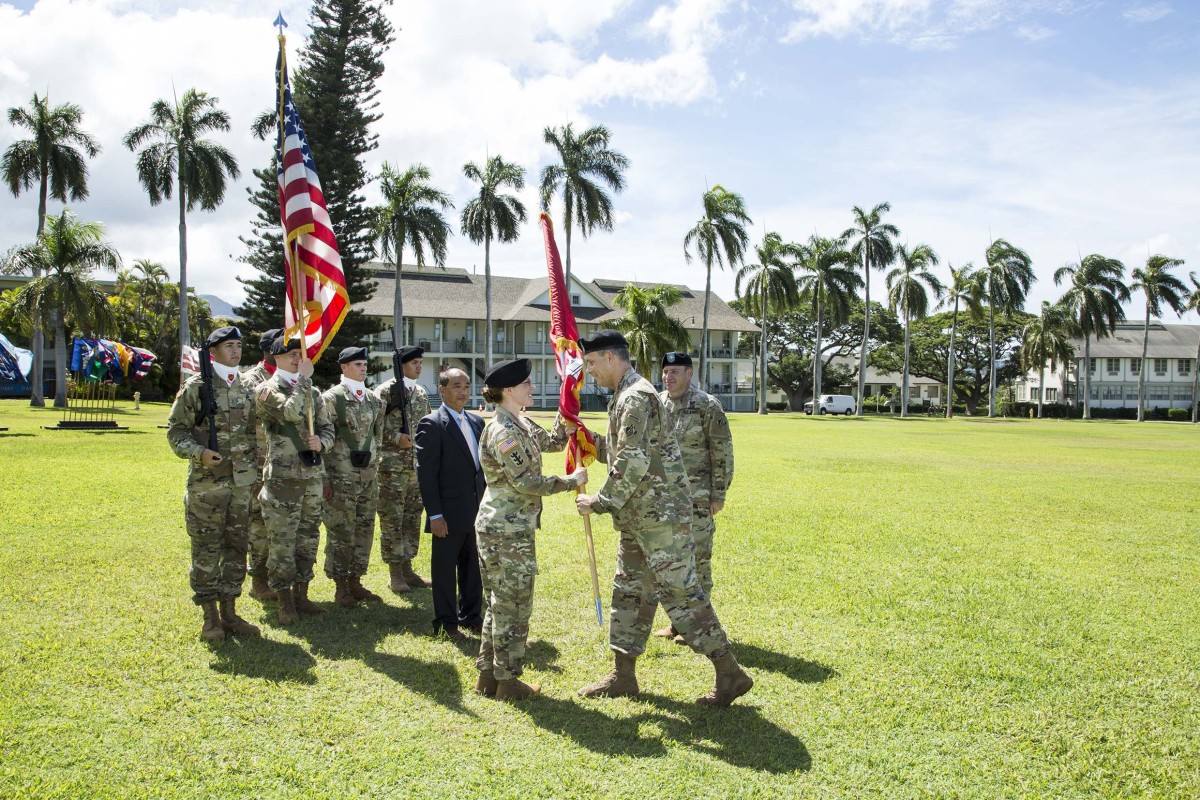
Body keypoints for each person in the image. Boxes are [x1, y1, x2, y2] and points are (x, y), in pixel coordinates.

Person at [574, 330, 753, 707]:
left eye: (591, 363)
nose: (588, 371)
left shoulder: (636, 396)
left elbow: (633, 461)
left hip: (661, 519)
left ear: (610, 358)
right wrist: (584, 438)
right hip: (641, 518)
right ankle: (623, 677)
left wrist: (600, 501)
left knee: (682, 594)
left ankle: (730, 673)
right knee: (629, 591)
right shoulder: (628, 395)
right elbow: (627, 449)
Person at [473, 358, 588, 700]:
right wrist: (571, 482)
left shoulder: (519, 422)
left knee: (499, 604)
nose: (532, 388)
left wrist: (566, 403)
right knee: (514, 605)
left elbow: (552, 441)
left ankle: (488, 677)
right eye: (527, 384)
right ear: (508, 390)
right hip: (504, 532)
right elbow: (526, 482)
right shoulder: (503, 431)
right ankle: (508, 681)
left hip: (509, 528)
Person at [166, 326, 260, 642]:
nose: (235, 351)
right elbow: (175, 432)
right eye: (228, 346)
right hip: (208, 486)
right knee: (206, 549)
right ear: (213, 352)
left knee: (236, 548)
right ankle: (210, 617)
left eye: (238, 344)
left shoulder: (249, 386)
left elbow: (255, 434)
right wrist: (199, 452)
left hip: (242, 484)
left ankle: (230, 611)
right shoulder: (196, 388)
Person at [654, 350, 735, 643]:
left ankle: (701, 627)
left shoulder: (707, 406)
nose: (668, 377)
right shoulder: (658, 404)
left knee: (698, 563)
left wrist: (719, 493)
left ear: (690, 374)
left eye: (675, 371)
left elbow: (722, 451)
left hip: (697, 499)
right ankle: (677, 624)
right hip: (664, 501)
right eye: (665, 372)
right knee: (670, 564)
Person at [256, 336, 336, 626]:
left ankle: (302, 594)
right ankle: (284, 601)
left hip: (311, 477)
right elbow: (290, 412)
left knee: (308, 538)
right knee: (282, 542)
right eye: (290, 354)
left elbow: (328, 428)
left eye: (299, 354)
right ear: (276, 357)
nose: (297, 359)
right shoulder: (266, 390)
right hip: (282, 480)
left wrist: (322, 443)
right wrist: (303, 380)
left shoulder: (313, 392)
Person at [415, 367, 485, 640]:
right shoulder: (431, 424)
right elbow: (427, 475)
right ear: (442, 390)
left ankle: (471, 615)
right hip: (447, 512)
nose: (463, 391)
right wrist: (435, 515)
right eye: (456, 386)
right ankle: (446, 622)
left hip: (476, 510)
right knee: (444, 571)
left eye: (466, 385)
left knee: (473, 568)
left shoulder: (477, 422)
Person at [321, 346, 386, 606]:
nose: (363, 368)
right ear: (344, 367)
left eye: (364, 364)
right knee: (341, 530)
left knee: (364, 529)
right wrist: (325, 478)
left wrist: (375, 466)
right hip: (341, 478)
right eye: (357, 364)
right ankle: (340, 586)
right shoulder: (330, 399)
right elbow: (325, 438)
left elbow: (377, 437)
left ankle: (355, 580)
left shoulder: (374, 400)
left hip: (367, 477)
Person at [375, 346, 432, 593]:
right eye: (414, 363)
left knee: (411, 518)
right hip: (391, 468)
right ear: (401, 366)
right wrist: (394, 436)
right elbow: (373, 427)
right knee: (392, 519)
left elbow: (427, 424)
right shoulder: (385, 392)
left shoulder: (420, 393)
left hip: (416, 467)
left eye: (420, 362)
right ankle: (394, 572)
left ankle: (408, 567)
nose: (419, 367)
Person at [241, 327, 282, 602]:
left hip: (283, 464)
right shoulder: (251, 381)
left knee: (281, 524)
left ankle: (278, 576)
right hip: (257, 464)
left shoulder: (286, 379)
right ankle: (258, 580)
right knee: (258, 524)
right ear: (269, 349)